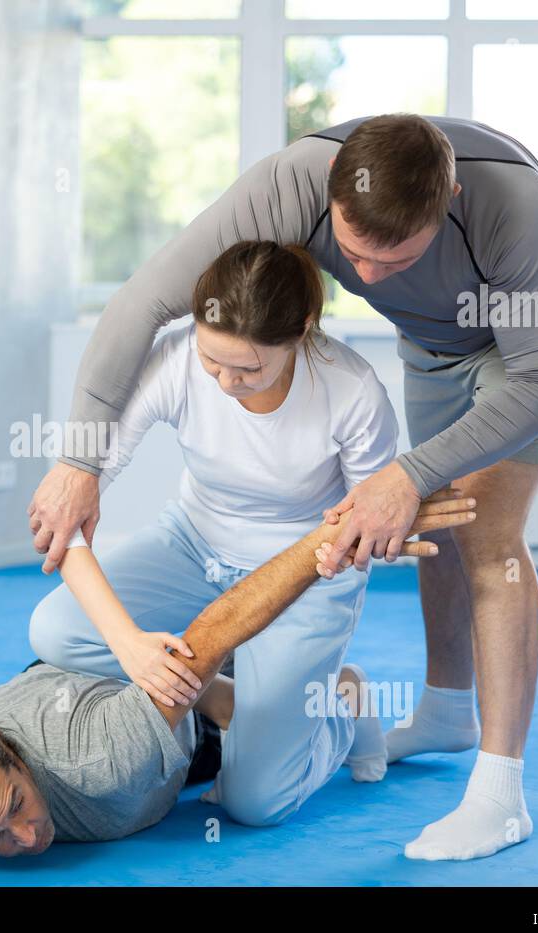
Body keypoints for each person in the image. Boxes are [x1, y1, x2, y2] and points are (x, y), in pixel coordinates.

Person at [28, 113, 538, 861]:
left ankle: (501, 795)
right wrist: (79, 459)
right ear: (331, 195)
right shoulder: (289, 184)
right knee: (438, 520)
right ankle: (444, 710)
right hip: (435, 338)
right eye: (355, 252)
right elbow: (140, 303)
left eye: (393, 256)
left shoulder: (510, 206)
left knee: (485, 526)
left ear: (449, 201)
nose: (367, 276)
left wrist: (406, 473)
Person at [0, 489, 477, 855]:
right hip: (107, 688)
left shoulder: (105, 762)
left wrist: (341, 532)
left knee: (257, 802)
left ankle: (342, 700)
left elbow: (210, 636)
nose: (26, 838)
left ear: (6, 754)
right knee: (189, 676)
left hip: (169, 710)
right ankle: (258, 682)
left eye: (17, 805)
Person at [28, 239, 400, 826]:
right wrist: (130, 645)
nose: (225, 382)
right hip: (192, 544)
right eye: (212, 361)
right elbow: (67, 519)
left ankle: (344, 705)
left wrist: (381, 534)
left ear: (302, 331)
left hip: (303, 571)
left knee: (256, 804)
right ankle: (225, 697)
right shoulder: (175, 359)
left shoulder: (353, 392)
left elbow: (359, 530)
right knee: (55, 630)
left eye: (248, 367)